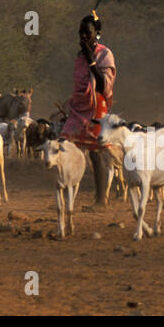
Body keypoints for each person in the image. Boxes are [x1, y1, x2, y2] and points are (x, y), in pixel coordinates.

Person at [60, 11, 116, 203]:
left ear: (97, 33)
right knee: (66, 144)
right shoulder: (79, 55)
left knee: (95, 152)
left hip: (96, 106)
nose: (83, 37)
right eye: (80, 33)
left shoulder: (105, 54)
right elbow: (79, 84)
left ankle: (101, 199)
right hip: (78, 107)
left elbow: (103, 86)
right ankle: (67, 195)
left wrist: (91, 59)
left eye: (88, 33)